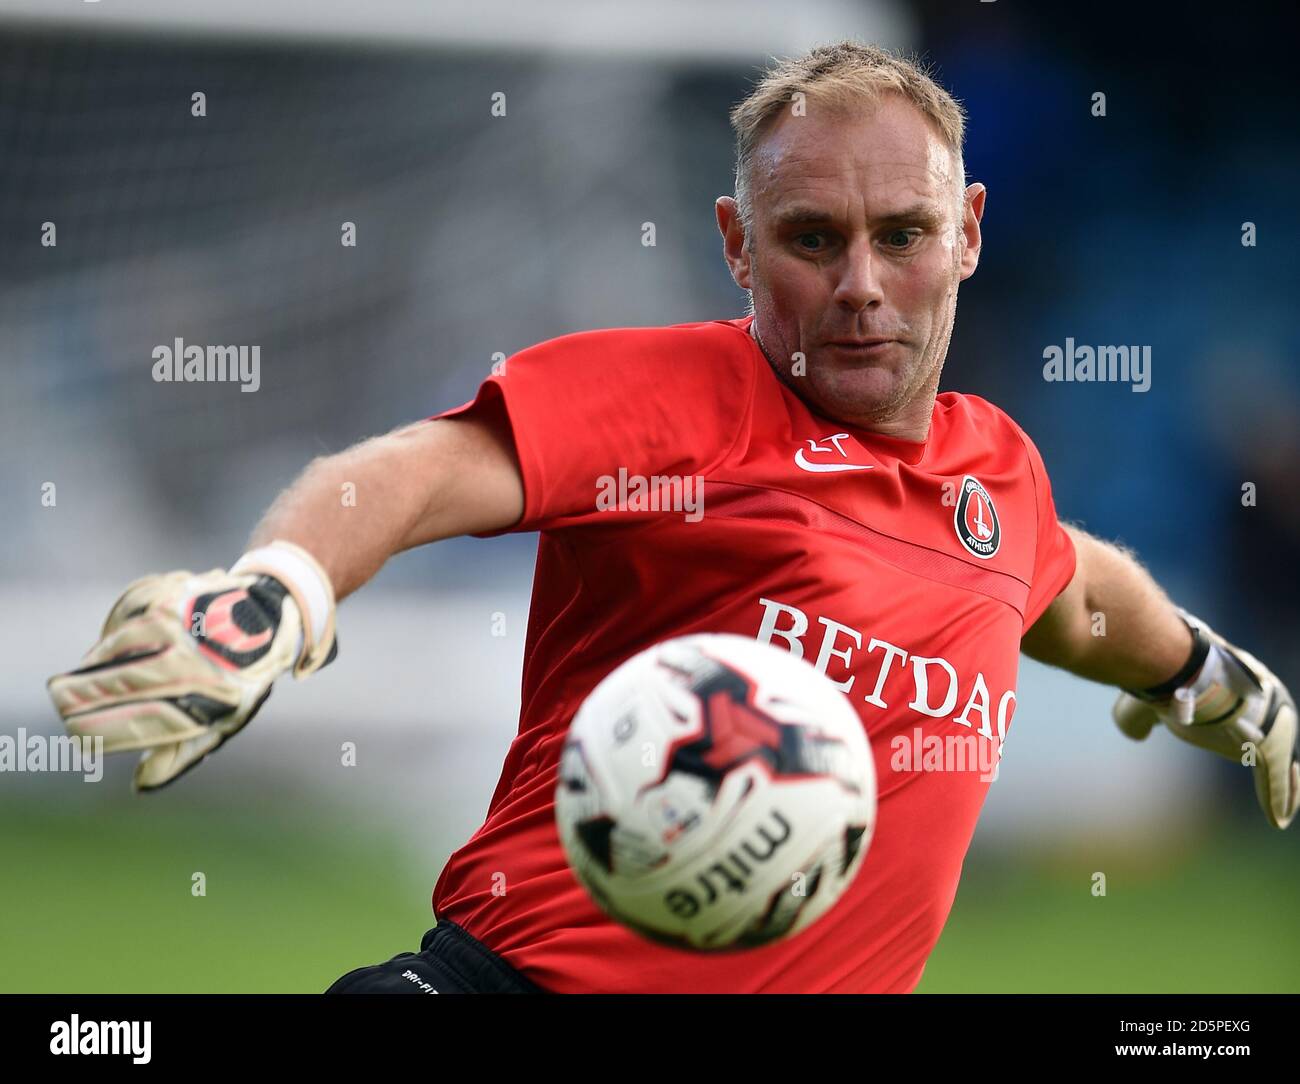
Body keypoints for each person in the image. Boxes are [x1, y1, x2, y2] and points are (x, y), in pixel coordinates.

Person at [47, 40, 1297, 994]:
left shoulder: (996, 478)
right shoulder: (677, 399)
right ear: (736, 246)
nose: (861, 287)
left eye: (902, 235)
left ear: (965, 235)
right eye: (811, 239)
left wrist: (1216, 680)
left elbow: (1074, 594)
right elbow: (420, 470)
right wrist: (280, 593)